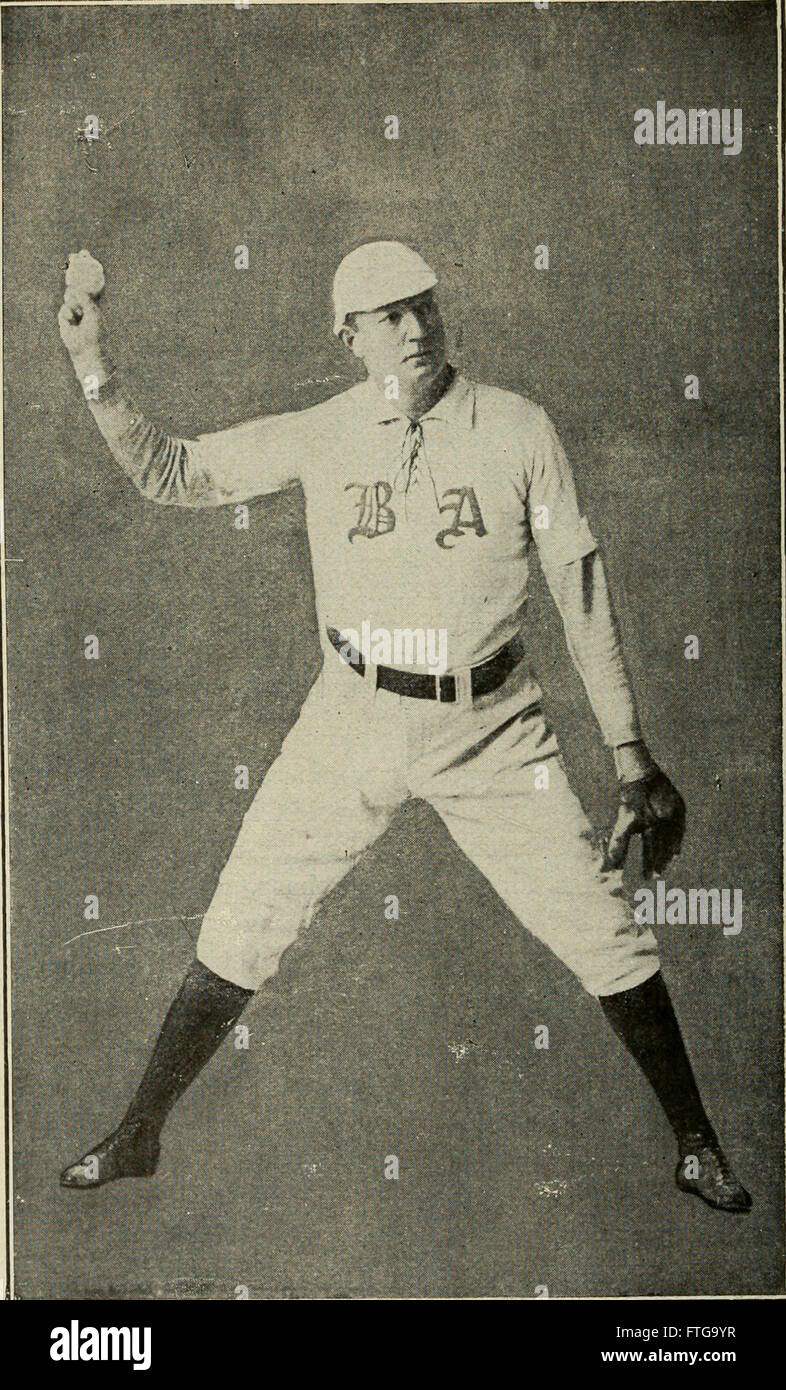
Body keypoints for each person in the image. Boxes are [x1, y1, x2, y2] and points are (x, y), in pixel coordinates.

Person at [56, 240, 750, 1212]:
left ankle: (696, 1143)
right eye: (387, 317)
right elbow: (172, 471)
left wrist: (631, 757)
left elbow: (578, 585)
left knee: (606, 929)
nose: (415, 328)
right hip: (353, 718)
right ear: (348, 336)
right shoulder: (323, 433)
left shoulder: (517, 431)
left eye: (423, 306)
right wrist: (95, 367)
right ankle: (138, 1131)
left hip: (493, 728)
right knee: (240, 923)